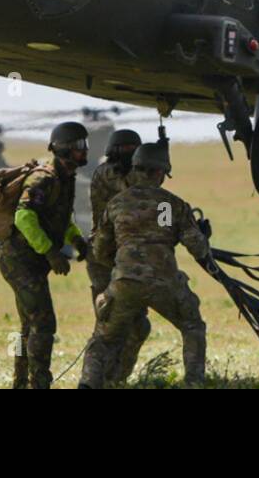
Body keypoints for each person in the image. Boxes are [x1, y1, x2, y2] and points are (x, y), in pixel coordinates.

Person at [79, 141, 210, 388]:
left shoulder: (117, 203)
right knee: (192, 327)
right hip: (165, 283)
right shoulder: (169, 204)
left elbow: (99, 250)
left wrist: (122, 265)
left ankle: (88, 383)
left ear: (136, 169)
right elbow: (197, 247)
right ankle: (194, 383)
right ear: (161, 172)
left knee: (102, 340)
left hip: (124, 283)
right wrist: (202, 236)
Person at [0, 120, 90, 389]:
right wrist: (51, 252)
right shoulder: (45, 179)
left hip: (31, 261)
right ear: (63, 150)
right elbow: (24, 216)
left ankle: (20, 383)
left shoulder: (65, 177)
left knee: (28, 326)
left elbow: (59, 219)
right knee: (44, 323)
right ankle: (39, 383)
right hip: (20, 262)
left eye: (85, 145)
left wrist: (76, 240)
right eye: (79, 147)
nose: (84, 151)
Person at [85, 129, 151, 383]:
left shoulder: (138, 176)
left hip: (128, 256)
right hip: (103, 256)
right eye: (127, 149)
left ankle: (115, 379)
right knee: (110, 325)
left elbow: (158, 205)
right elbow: (133, 190)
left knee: (137, 326)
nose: (131, 154)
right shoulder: (107, 172)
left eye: (135, 149)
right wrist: (155, 164)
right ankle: (94, 381)